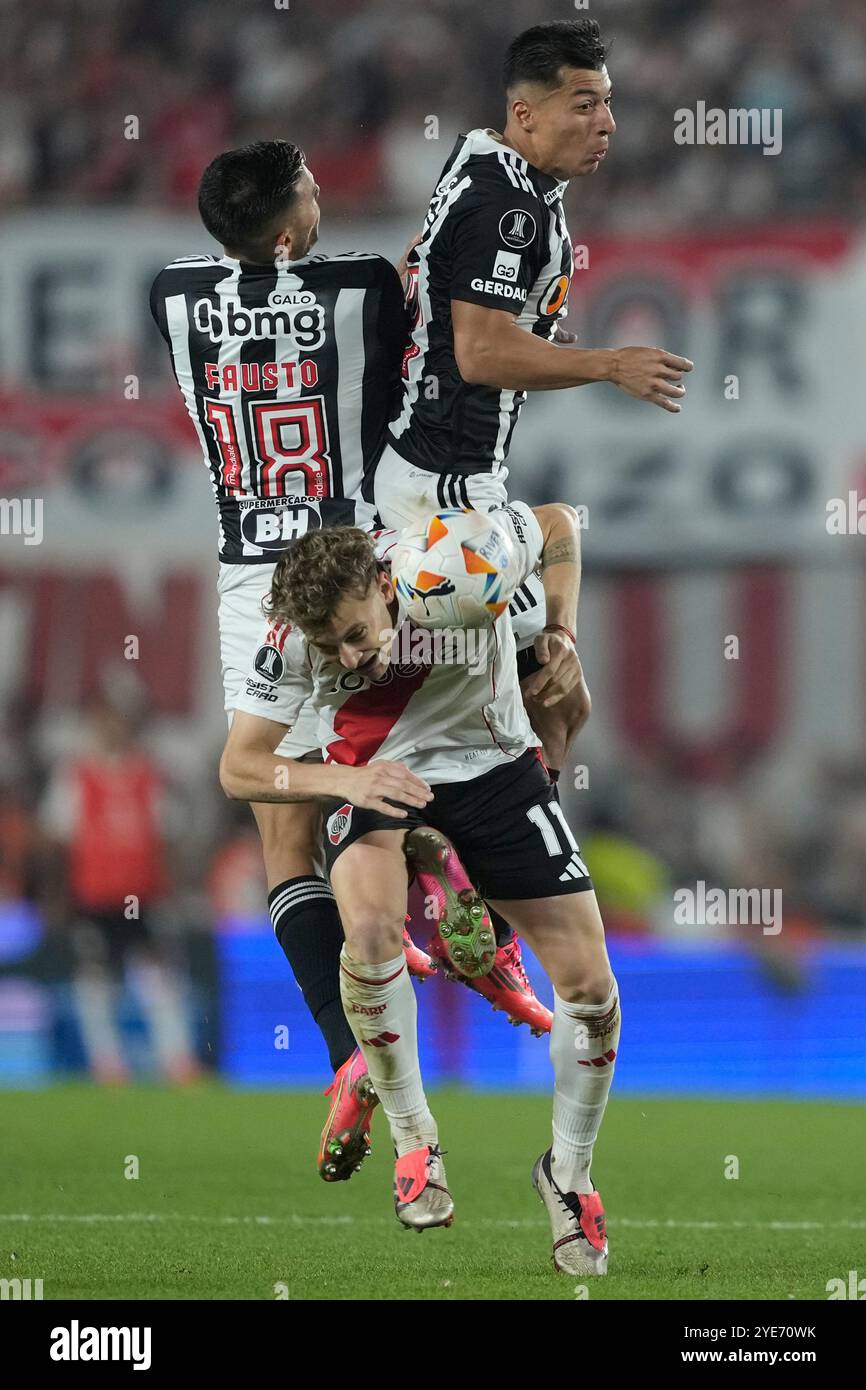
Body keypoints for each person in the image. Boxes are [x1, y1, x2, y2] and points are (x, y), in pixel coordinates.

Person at [150, 139, 558, 1178]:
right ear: (290, 231)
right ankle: (455, 885)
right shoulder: (359, 287)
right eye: (310, 192)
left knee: (289, 836)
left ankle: (345, 1049)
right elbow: (431, 348)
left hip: (256, 579)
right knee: (458, 717)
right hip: (371, 563)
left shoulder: (169, 297)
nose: (325, 196)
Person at [220, 503, 619, 1275]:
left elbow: (562, 521)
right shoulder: (293, 638)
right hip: (373, 777)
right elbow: (239, 768)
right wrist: (341, 776)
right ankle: (415, 1141)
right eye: (330, 644)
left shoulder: (458, 566)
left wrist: (563, 631)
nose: (348, 654)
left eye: (357, 633)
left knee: (592, 989)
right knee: (368, 931)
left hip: (493, 768)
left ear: (384, 582)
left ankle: (569, 1175)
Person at [373, 16, 692, 770]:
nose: (606, 123)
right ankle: (490, 867)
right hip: (442, 493)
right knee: (540, 703)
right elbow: (481, 352)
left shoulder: (486, 164)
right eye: (583, 104)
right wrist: (609, 366)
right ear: (527, 114)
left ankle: (476, 858)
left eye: (607, 103)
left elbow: (422, 274)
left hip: (434, 473)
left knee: (555, 666)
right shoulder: (509, 210)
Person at [40, 700, 199, 1084]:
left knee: (157, 975)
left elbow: (169, 838)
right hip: (94, 896)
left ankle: (176, 1060)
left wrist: (174, 890)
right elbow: (58, 839)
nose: (114, 731)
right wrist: (55, 893)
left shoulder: (150, 776)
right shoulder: (76, 777)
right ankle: (107, 1062)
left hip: (144, 894)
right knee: (97, 978)